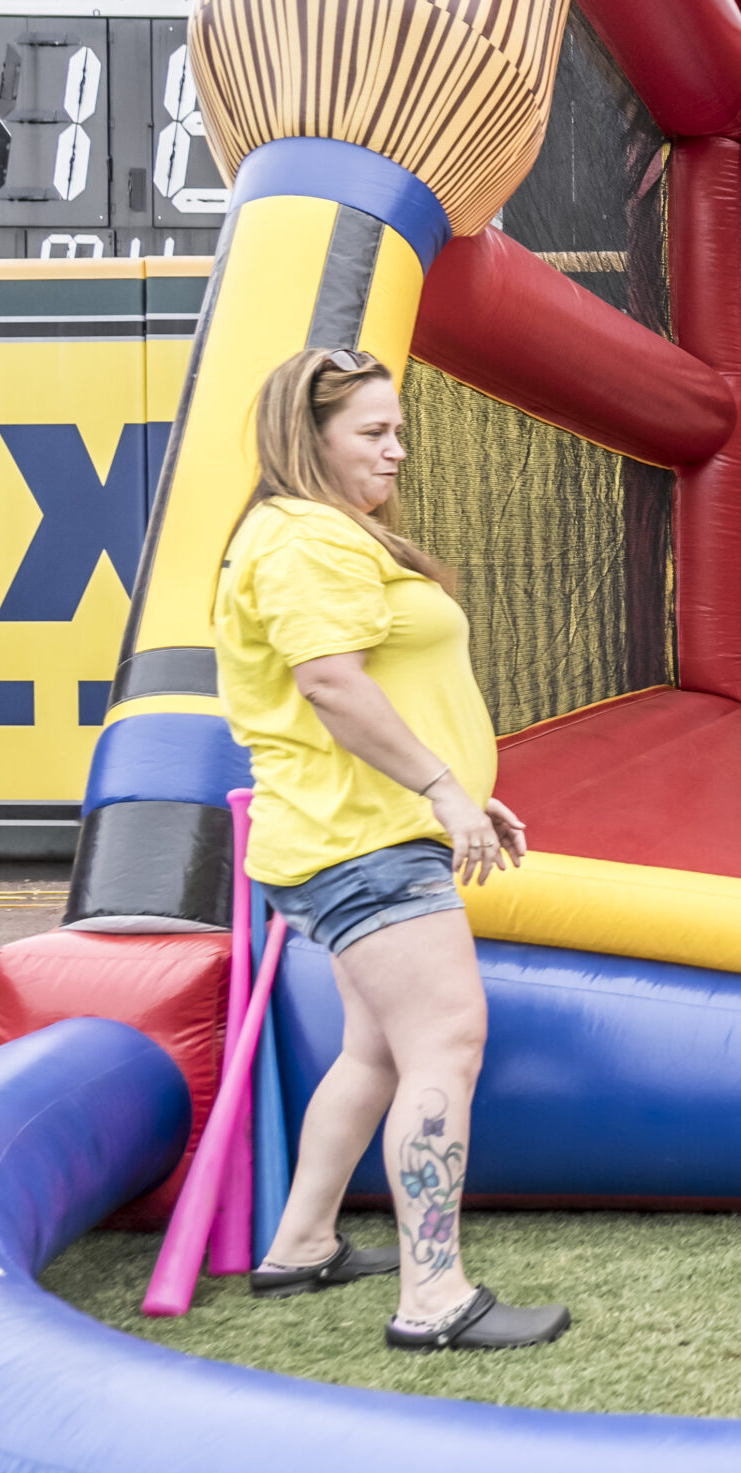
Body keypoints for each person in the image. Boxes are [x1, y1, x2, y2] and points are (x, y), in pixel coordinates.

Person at [213, 348, 569, 1352]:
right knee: (446, 1041)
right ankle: (433, 1296)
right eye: (372, 432)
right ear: (308, 437)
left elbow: (382, 683)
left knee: (374, 1050)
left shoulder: (322, 534)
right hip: (362, 841)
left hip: (362, 830)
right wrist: (441, 788)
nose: (396, 450)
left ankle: (301, 1243)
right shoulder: (304, 538)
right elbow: (331, 684)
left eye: (397, 429)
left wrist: (459, 791)